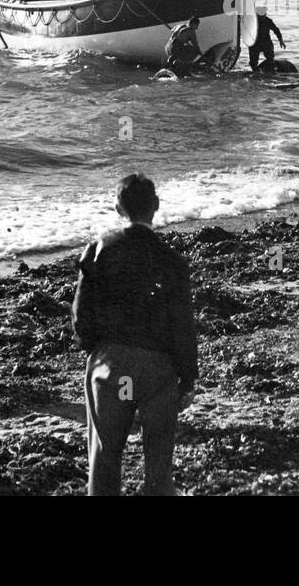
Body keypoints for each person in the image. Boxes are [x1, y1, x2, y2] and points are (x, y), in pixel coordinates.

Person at [72, 174, 198, 496]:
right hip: (157, 369)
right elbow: (183, 325)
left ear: (117, 207)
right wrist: (188, 377)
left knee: (105, 457)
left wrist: (94, 350)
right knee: (158, 467)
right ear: (155, 207)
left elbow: (81, 315)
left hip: (111, 367)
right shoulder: (172, 261)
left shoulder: (98, 250)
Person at [248, 5, 286, 74]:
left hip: (266, 42)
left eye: (264, 15)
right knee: (253, 63)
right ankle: (256, 73)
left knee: (270, 60)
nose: (263, 17)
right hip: (255, 44)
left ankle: (272, 73)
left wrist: (281, 40)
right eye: (261, 16)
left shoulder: (268, 21)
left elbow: (276, 30)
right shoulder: (251, 21)